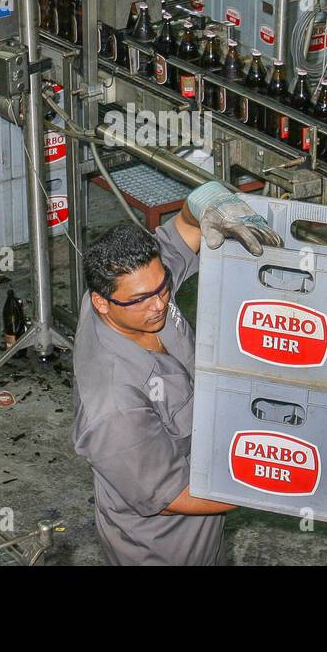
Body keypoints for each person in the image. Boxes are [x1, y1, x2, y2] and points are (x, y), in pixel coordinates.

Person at [72, 180, 282, 565]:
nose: (157, 305)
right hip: (165, 547)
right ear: (100, 303)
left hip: (206, 517)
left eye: (162, 289)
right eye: (140, 300)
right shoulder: (114, 407)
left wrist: (204, 203)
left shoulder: (140, 282)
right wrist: (271, 488)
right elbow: (169, 499)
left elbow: (186, 228)